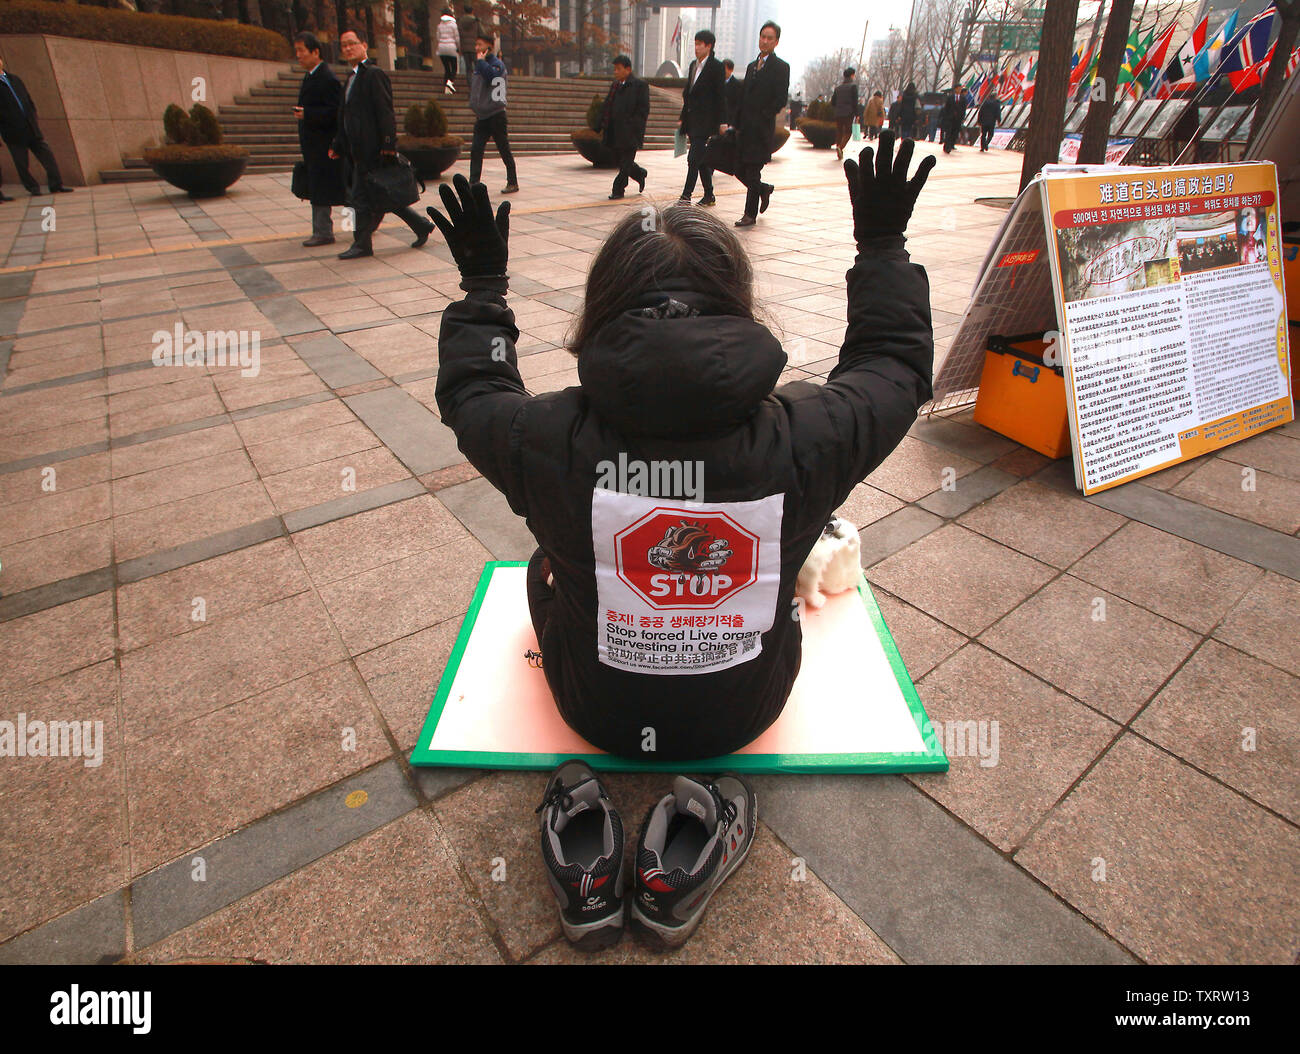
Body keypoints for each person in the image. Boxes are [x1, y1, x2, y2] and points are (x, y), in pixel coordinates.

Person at [426, 129, 935, 769]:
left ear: (602, 305)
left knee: (543, 563)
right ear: (737, 303)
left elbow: (474, 390)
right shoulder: (812, 435)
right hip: (749, 709)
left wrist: (483, 289)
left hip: (595, 711)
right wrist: (883, 248)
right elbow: (892, 366)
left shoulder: (544, 438)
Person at [328, 29, 434, 259]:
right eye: (343, 45)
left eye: (352, 44)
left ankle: (362, 244)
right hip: (356, 150)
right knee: (381, 195)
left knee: (360, 198)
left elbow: (385, 111)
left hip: (372, 149)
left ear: (364, 44)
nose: (347, 48)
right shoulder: (351, 78)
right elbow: (345, 116)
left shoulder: (373, 74)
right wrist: (338, 144)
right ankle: (421, 225)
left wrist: (388, 143)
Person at [733, 21, 789, 228]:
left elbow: (780, 98)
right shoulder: (751, 67)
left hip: (761, 129)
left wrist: (764, 115)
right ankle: (763, 189)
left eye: (769, 38)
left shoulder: (781, 67)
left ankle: (750, 214)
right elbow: (743, 96)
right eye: (762, 36)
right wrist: (735, 124)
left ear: (776, 42)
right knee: (737, 167)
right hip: (745, 128)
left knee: (753, 170)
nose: (764, 41)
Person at [293, 33, 346, 248]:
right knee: (325, 187)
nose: (298, 56)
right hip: (314, 145)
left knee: (324, 188)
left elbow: (336, 113)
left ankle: (323, 231)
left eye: (301, 51)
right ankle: (366, 220)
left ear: (315, 52)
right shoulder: (311, 75)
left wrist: (308, 115)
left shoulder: (327, 78)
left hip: (325, 145)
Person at [0, 56, 72, 195]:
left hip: (31, 128)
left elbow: (28, 99)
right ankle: (33, 188)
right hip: (13, 132)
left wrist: (33, 117)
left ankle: (56, 184)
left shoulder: (15, 79)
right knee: (22, 163)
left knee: (47, 156)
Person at [677, 29, 725, 207]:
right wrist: (683, 117)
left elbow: (720, 96)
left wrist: (722, 121)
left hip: (706, 122)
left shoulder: (716, 67)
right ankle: (709, 195)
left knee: (693, 158)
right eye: (695, 44)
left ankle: (685, 196)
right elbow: (687, 94)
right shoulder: (693, 65)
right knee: (702, 159)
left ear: (709, 46)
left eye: (699, 44)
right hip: (692, 120)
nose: (696, 48)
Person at [467, 33, 519, 193]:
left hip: (496, 115)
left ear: (489, 46)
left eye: (480, 45)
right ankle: (473, 183)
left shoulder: (497, 65)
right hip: (482, 116)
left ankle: (513, 182)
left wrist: (481, 62)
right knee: (476, 149)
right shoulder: (479, 66)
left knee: (504, 149)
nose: (477, 48)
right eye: (476, 45)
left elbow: (493, 78)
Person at [596, 55, 649, 201]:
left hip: (631, 132)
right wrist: (598, 124)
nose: (616, 72)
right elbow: (606, 106)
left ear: (628, 69)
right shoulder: (615, 86)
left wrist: (633, 125)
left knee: (625, 163)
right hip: (614, 131)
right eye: (615, 69)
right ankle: (639, 173)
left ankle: (618, 189)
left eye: (618, 69)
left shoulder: (640, 86)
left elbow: (643, 110)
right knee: (621, 161)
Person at [831, 68, 859, 160]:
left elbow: (833, 102)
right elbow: (855, 102)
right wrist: (857, 114)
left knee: (839, 132)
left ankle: (839, 149)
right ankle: (840, 147)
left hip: (838, 113)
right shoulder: (853, 87)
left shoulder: (838, 88)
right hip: (848, 113)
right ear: (852, 75)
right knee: (848, 132)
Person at [458, 3, 486, 88]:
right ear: (472, 11)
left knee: (468, 68)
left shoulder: (460, 21)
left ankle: (471, 86)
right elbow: (482, 33)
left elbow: (458, 33)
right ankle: (478, 85)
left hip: (465, 47)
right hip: (475, 47)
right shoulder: (476, 21)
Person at [436, 7, 460, 94]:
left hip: (441, 48)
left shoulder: (439, 25)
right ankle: (450, 82)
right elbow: (457, 38)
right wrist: (458, 47)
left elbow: (438, 37)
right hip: (451, 47)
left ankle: (446, 87)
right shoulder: (454, 25)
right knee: (454, 67)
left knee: (447, 68)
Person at [940, 86, 965, 154]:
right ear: (955, 89)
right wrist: (946, 117)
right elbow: (946, 108)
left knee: (954, 133)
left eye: (960, 89)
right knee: (948, 132)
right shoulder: (950, 98)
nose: (959, 90)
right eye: (958, 88)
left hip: (958, 119)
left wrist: (962, 118)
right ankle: (947, 147)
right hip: (950, 118)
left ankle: (951, 144)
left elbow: (963, 109)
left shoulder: (963, 98)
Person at [722, 59, 743, 128]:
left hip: (731, 120)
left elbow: (738, 105)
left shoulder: (737, 85)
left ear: (731, 70)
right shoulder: (717, 83)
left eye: (724, 69)